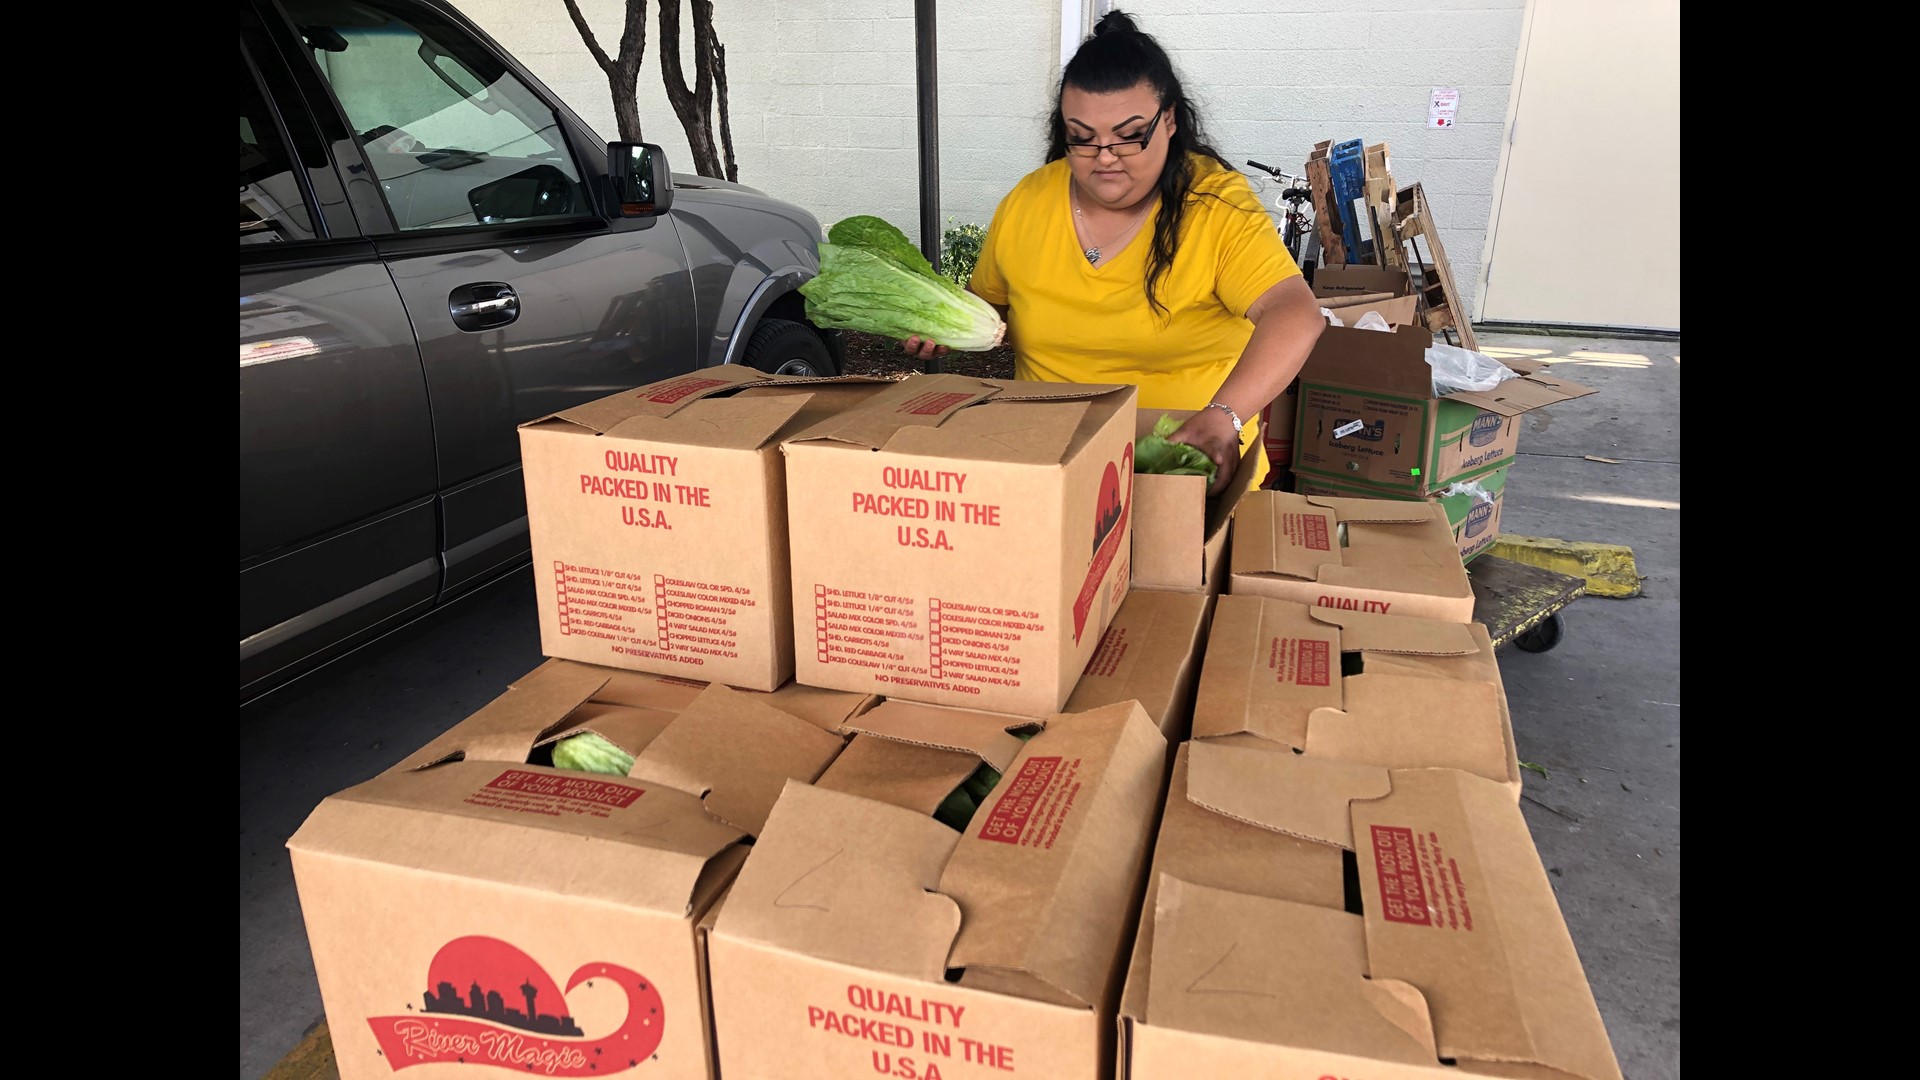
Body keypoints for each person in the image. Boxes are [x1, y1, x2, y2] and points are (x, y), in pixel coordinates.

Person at [903, 9, 1325, 493]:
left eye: (1129, 136)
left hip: (1184, 471)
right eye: (1081, 139)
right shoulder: (1028, 201)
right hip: (1044, 463)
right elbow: (991, 303)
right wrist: (945, 322)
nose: (1105, 156)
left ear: (1168, 120)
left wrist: (1222, 418)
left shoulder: (1215, 204)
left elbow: (1295, 314)